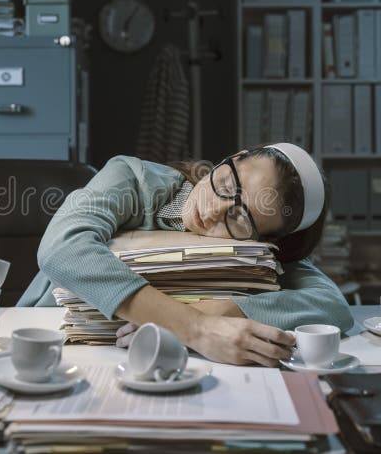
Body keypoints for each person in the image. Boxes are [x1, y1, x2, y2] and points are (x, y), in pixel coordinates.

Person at [18, 143, 354, 366]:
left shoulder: (259, 253)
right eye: (225, 184)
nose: (213, 210)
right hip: (50, 341)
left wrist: (226, 308)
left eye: (239, 217)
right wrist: (195, 327)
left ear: (264, 241)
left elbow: (333, 305)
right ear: (233, 157)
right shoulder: (132, 177)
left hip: (149, 360)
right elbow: (62, 247)